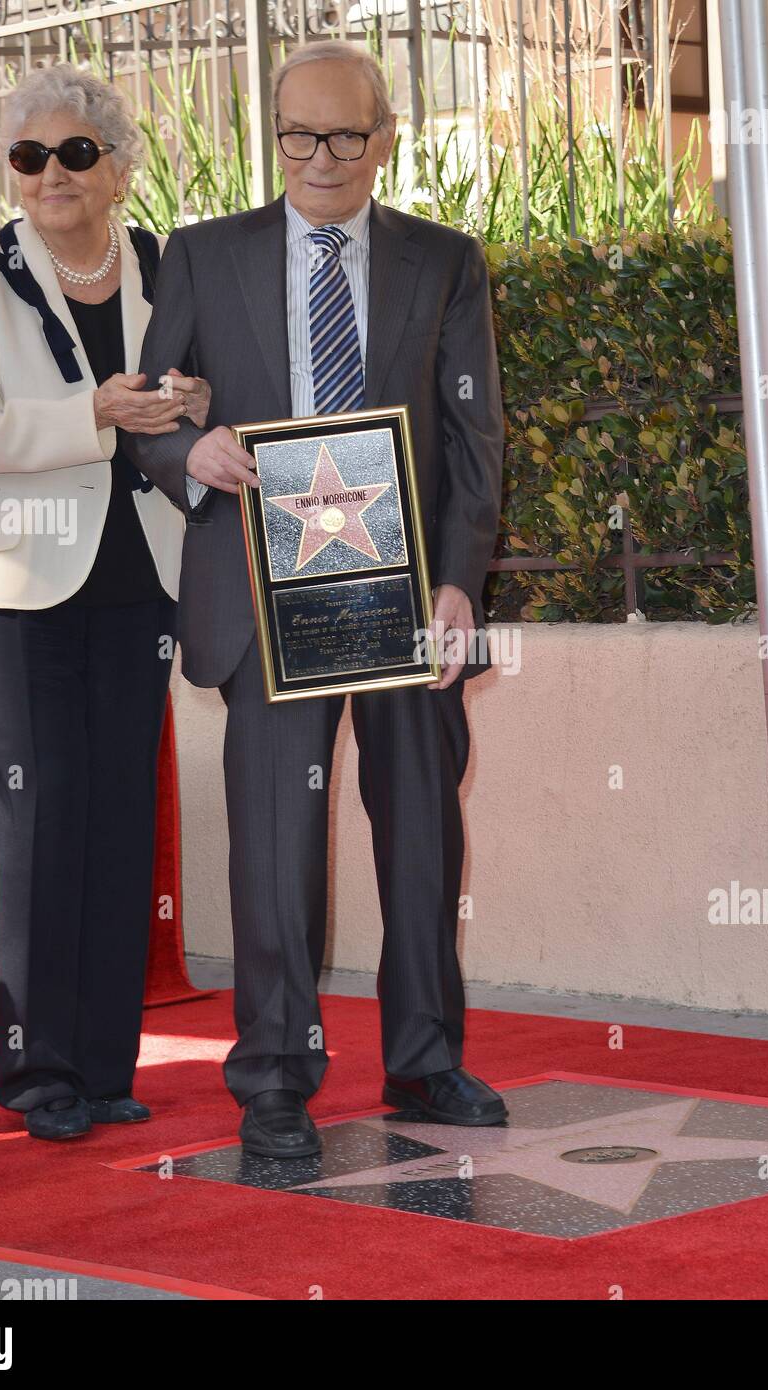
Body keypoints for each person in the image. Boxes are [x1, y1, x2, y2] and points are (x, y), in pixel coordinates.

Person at [126, 39, 505, 1158]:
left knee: (424, 832)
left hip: (401, 593)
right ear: (274, 136)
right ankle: (275, 1080)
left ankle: (427, 1062)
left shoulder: (447, 261)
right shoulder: (201, 254)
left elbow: (473, 438)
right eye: (301, 134)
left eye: (347, 135)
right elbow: (153, 410)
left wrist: (457, 584)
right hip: (262, 592)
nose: (323, 157)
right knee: (276, 843)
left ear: (385, 138)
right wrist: (193, 454)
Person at [0, 64, 210, 1141]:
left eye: (76, 153)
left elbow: (199, 388)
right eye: (29, 156)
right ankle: (38, 1073)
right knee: (37, 821)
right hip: (13, 583)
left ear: (120, 167)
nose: (51, 174)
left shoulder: (159, 264)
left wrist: (192, 401)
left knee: (119, 817)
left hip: (137, 572)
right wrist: (97, 411)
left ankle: (104, 1062)